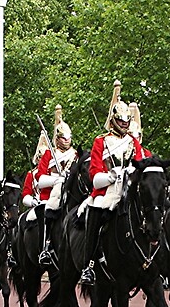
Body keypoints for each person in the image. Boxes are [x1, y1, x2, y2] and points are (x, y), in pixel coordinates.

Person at [80, 80, 144, 286]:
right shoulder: (101, 141)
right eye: (121, 120)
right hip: (107, 191)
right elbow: (94, 174)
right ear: (113, 119)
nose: (125, 124)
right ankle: (89, 264)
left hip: (129, 188)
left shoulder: (133, 142)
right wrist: (109, 176)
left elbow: (143, 162)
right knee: (95, 213)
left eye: (127, 121)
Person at [36, 105, 78, 266]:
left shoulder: (75, 155)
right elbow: (40, 180)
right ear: (57, 138)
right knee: (49, 211)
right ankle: (46, 245)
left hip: (71, 193)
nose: (66, 140)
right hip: (50, 195)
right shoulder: (48, 154)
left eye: (68, 137)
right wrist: (56, 179)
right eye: (63, 137)